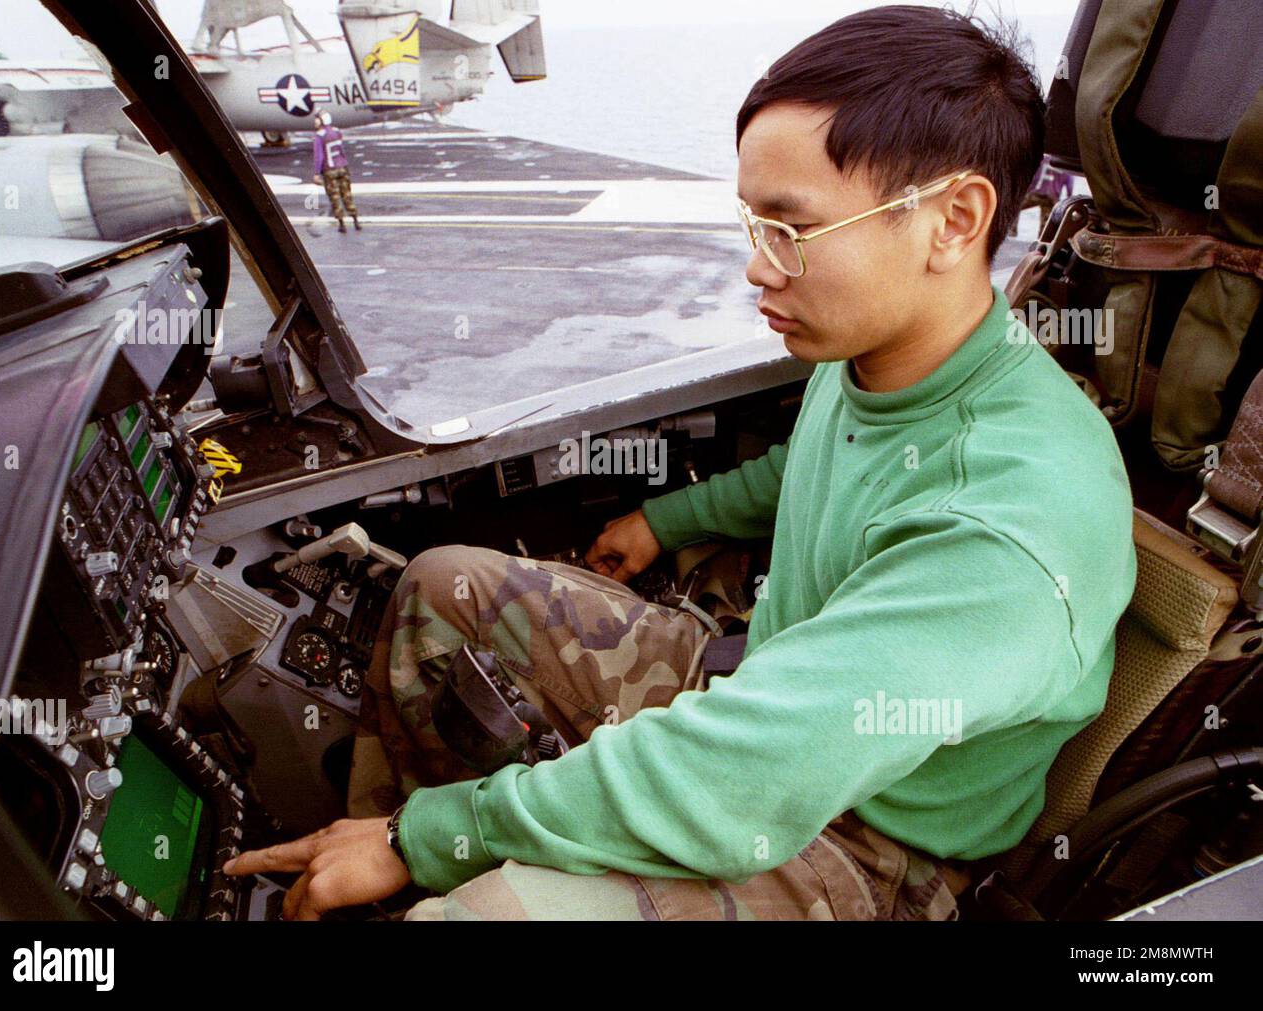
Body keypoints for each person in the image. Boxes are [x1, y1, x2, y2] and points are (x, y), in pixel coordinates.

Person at [225, 5, 1138, 920]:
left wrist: (424, 836)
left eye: (792, 229)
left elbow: (744, 772)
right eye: (753, 222)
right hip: (764, 695)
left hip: (863, 842)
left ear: (954, 219)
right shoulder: (874, 353)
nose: (757, 266)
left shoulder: (1008, 522)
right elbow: (818, 466)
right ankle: (360, 883)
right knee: (439, 593)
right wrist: (665, 522)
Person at [312, 111, 360, 233]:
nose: (315, 121)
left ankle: (342, 224)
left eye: (317, 119)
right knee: (347, 194)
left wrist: (317, 173)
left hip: (330, 169)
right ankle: (355, 220)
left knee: (334, 197)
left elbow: (319, 157)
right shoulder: (337, 131)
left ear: (322, 120)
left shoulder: (319, 136)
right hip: (343, 166)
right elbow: (341, 150)